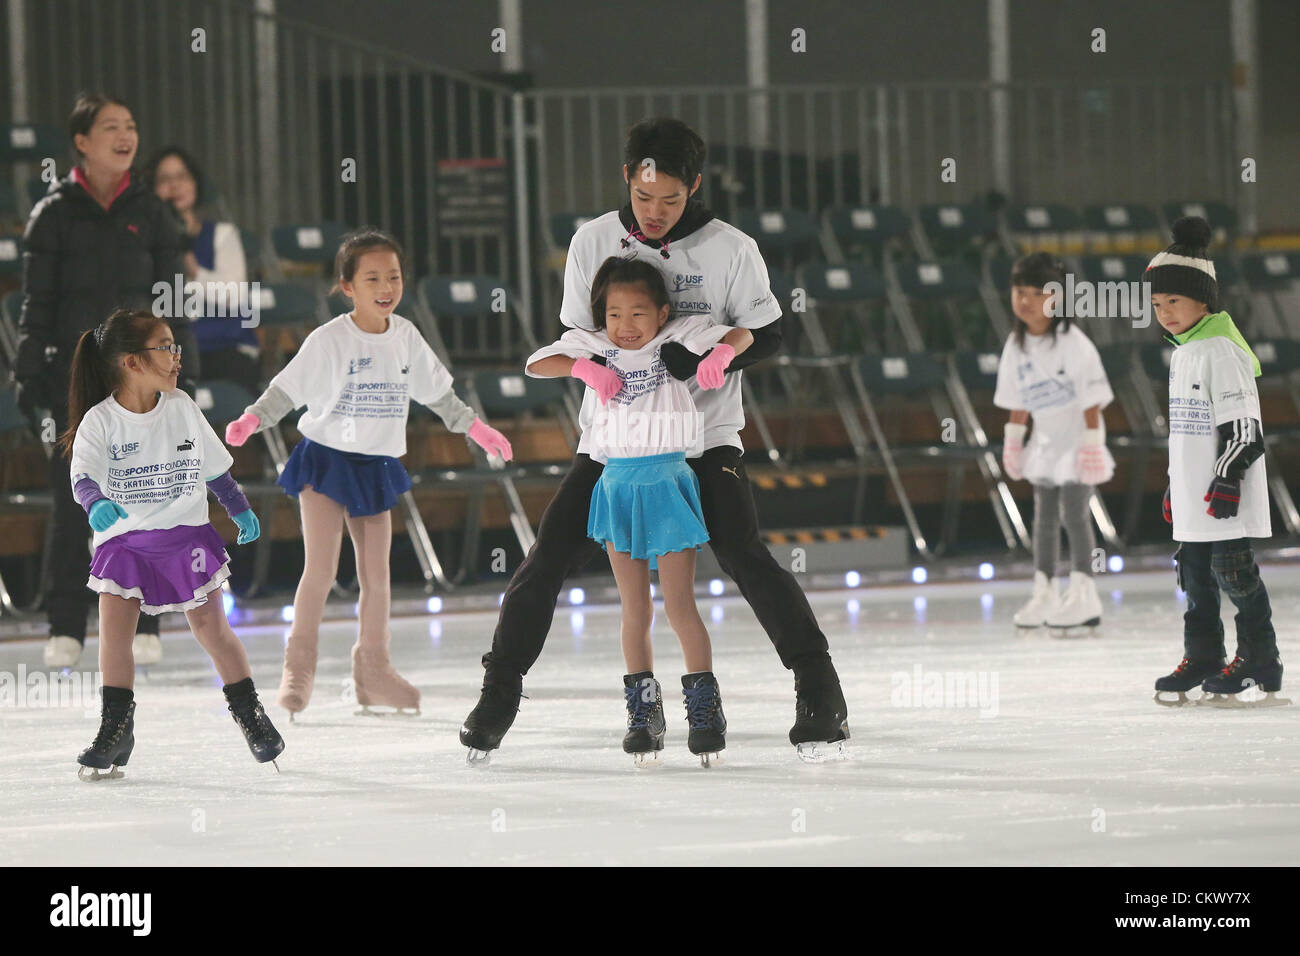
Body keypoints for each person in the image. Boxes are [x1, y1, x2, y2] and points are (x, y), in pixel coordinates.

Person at [461, 117, 850, 763]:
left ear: (694, 186)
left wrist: (715, 363)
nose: (657, 212)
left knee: (740, 549)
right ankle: (499, 692)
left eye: (672, 199)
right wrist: (589, 368)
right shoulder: (592, 241)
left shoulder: (732, 247)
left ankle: (818, 688)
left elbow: (770, 332)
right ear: (627, 179)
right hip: (615, 445)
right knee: (549, 553)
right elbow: (574, 341)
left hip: (704, 436)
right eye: (645, 198)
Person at [224, 228, 513, 718]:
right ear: (347, 286)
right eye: (373, 277)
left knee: (376, 577)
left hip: (377, 465)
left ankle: (373, 670)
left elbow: (439, 395)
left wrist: (478, 430)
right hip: (325, 459)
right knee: (320, 570)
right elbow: (286, 389)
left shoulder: (405, 336)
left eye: (394, 276)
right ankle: (299, 668)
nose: (386, 286)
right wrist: (253, 418)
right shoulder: (329, 339)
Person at [525, 257, 753, 766]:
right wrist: (582, 366)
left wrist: (715, 357)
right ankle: (644, 714)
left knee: (678, 605)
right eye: (614, 315)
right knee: (636, 609)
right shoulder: (599, 347)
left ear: (662, 313)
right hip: (617, 486)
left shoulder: (678, 338)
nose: (625, 327)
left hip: (669, 479)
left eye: (637, 315)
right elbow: (537, 362)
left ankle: (703, 709)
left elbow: (744, 334)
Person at [13, 93, 200, 669]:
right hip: (74, 378)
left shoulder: (151, 210)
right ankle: (65, 624)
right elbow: (36, 304)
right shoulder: (54, 213)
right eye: (111, 127)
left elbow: (173, 299)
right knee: (76, 499)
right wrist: (28, 372)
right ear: (82, 142)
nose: (126, 135)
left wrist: (177, 363)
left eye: (132, 125)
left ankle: (147, 619)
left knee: (147, 495)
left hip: (139, 376)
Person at [61, 308, 280, 780]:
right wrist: (96, 503)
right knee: (115, 635)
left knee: (212, 630)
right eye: (165, 348)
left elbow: (215, 467)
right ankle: (116, 726)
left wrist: (238, 507)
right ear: (131, 363)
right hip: (125, 542)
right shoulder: (100, 422)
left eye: (175, 346)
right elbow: (81, 476)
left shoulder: (181, 405)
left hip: (186, 536)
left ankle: (251, 715)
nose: (177, 356)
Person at [1149, 217, 1282, 706]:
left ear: (1203, 300)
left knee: (1237, 578)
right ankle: (1204, 655)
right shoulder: (1184, 351)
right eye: (1158, 304)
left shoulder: (1221, 350)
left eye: (1174, 302)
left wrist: (1226, 478)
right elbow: (1189, 434)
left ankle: (1260, 658)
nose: (1164, 312)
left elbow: (1243, 428)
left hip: (1222, 499)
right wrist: (1175, 486)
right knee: (1196, 583)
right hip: (1194, 500)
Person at [995, 252, 1114, 632]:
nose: (1025, 301)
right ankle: (1044, 587)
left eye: (1035, 293)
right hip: (1045, 442)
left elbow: (1091, 401)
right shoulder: (1016, 348)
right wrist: (1014, 444)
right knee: (1043, 517)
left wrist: (1093, 445)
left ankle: (1083, 589)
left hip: (1078, 440)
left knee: (1075, 514)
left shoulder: (1073, 343)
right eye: (1019, 292)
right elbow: (1017, 404)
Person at [146, 145, 260, 393]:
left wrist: (191, 265)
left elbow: (234, 296)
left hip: (225, 348)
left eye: (182, 177)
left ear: (196, 185)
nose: (174, 185)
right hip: (172, 355)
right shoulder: (145, 242)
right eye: (165, 179)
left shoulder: (222, 235)